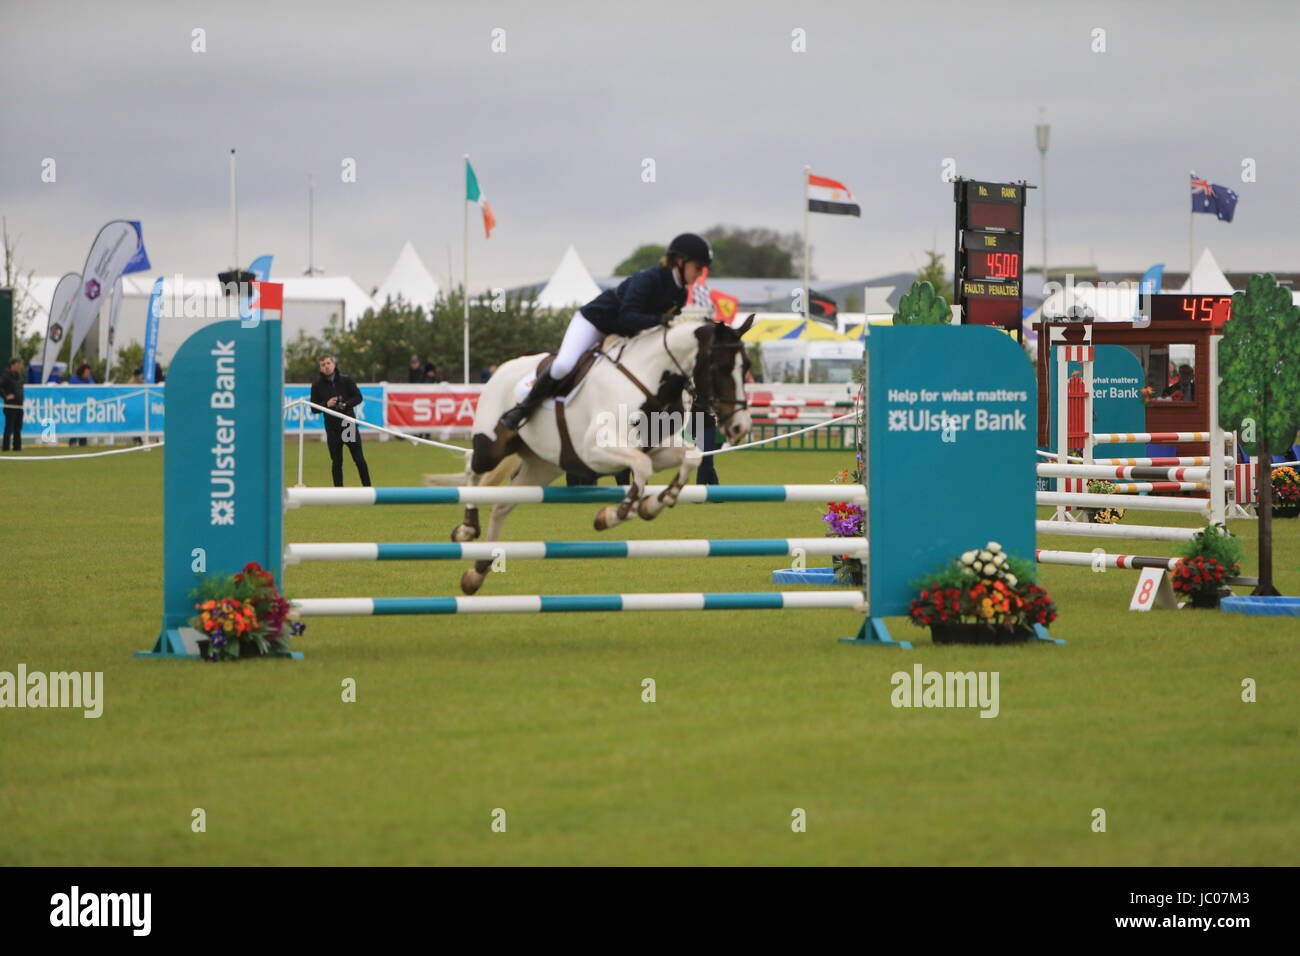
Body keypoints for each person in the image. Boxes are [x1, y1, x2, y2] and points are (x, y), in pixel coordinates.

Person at [496, 232, 712, 435]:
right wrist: (659, 319)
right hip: (595, 322)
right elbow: (628, 316)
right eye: (698, 267)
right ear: (680, 261)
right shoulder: (649, 279)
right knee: (564, 365)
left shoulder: (680, 294)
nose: (700, 273)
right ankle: (523, 408)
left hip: (624, 335)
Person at [310, 354, 372, 487]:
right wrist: (326, 404)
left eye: (328, 363)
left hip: (348, 424)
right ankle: (338, 491)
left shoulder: (346, 380)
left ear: (334, 364)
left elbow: (358, 397)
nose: (326, 366)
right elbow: (313, 409)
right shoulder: (316, 386)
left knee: (359, 459)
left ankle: (368, 488)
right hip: (332, 428)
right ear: (320, 368)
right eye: (323, 365)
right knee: (337, 462)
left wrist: (346, 404)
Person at [2, 357, 25, 452]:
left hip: (19, 405)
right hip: (10, 405)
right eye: (17, 364)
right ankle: (6, 447)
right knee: (9, 427)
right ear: (12, 364)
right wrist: (5, 396)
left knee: (18, 427)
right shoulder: (6, 375)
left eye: (20, 364)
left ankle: (17, 447)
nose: (19, 366)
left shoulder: (19, 375)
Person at [69, 362, 95, 445]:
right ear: (82, 371)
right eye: (87, 371)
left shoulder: (90, 379)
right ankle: (73, 442)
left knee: (84, 424)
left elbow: (95, 387)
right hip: (75, 407)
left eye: (89, 372)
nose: (88, 373)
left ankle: (83, 442)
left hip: (85, 407)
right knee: (75, 425)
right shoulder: (74, 379)